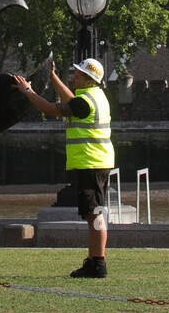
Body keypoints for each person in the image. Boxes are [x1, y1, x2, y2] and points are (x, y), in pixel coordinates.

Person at [13, 57, 114, 279]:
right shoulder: (94, 97)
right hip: (97, 161)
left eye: (78, 75)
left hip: (91, 162)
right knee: (93, 213)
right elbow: (69, 99)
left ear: (88, 80)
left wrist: (27, 90)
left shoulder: (84, 102)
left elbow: (50, 109)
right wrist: (53, 76)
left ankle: (98, 263)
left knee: (94, 214)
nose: (74, 76)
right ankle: (94, 260)